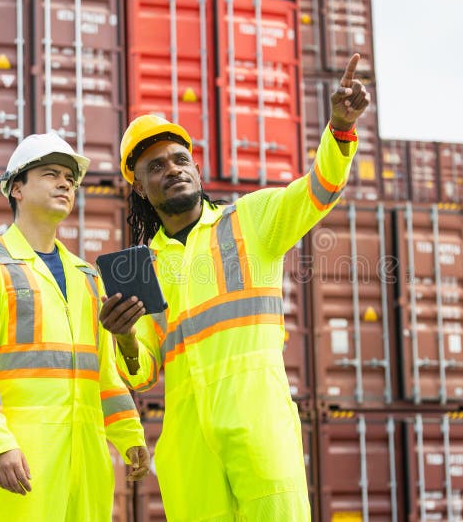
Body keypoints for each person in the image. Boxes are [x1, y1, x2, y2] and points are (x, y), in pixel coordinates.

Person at [99, 53, 369, 521]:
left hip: (259, 426)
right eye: (157, 166)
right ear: (140, 188)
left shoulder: (251, 220)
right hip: (188, 445)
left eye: (181, 159)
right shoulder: (141, 268)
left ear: (196, 168)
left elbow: (318, 191)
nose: (174, 169)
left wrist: (340, 129)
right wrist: (122, 337)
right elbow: (142, 373)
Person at [0, 132, 150, 521]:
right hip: (23, 459)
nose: (64, 183)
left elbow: (102, 373)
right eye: (50, 174)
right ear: (16, 189)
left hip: (86, 459)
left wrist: (129, 434)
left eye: (70, 178)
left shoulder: (87, 277)